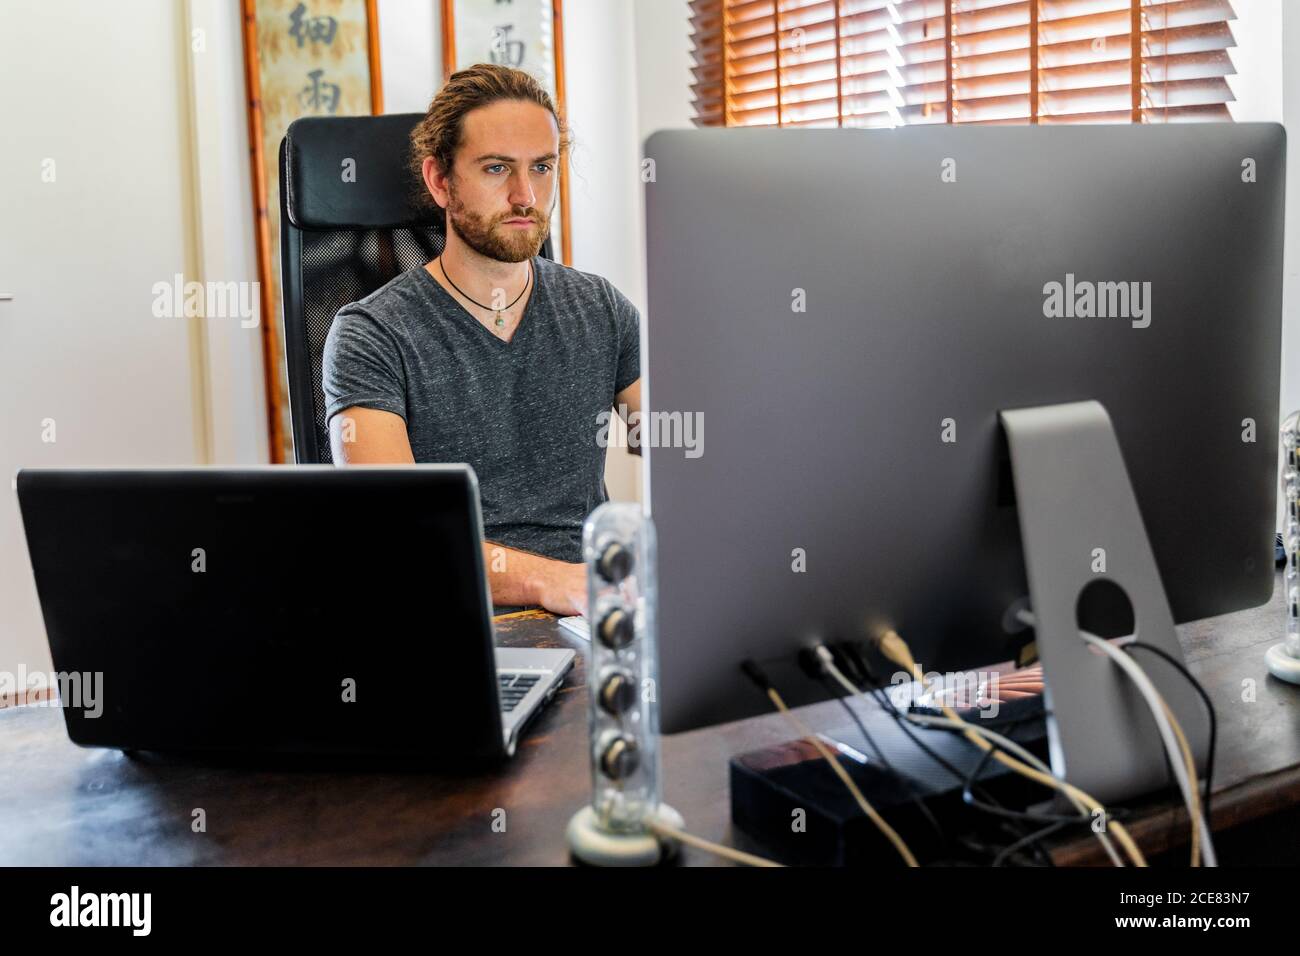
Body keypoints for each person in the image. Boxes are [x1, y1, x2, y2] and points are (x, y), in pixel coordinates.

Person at [322, 64, 640, 616]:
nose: (525, 195)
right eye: (497, 169)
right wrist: (553, 582)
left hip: (590, 611)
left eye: (542, 167)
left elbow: (680, 445)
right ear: (440, 181)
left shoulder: (602, 309)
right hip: (448, 615)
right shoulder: (371, 335)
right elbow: (401, 534)